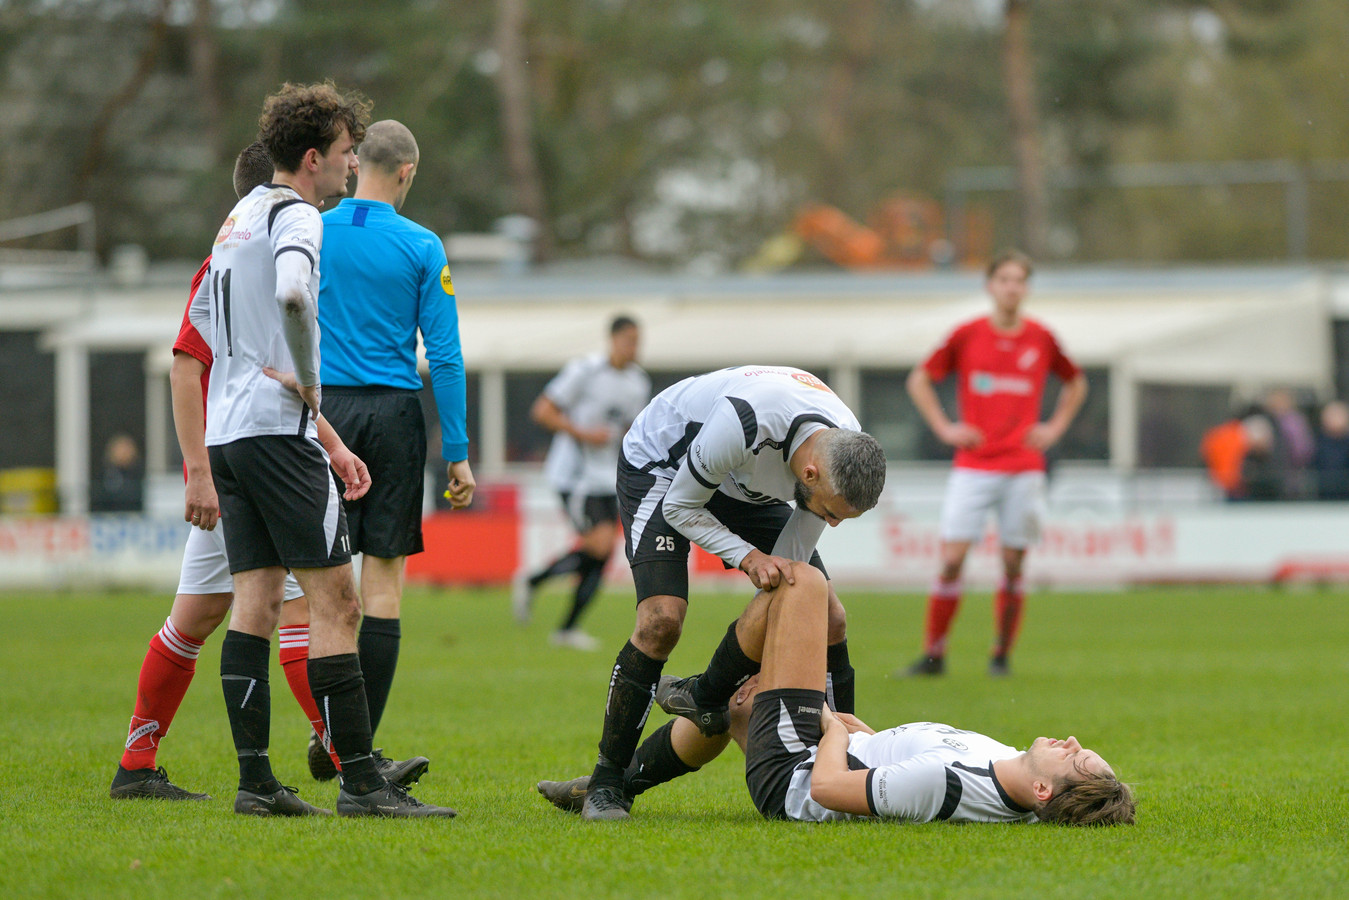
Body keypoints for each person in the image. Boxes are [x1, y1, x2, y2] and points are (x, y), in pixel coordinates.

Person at [110, 143, 426, 806]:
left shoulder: (239, 248)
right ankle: (350, 762)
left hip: (236, 448)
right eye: (341, 153)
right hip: (247, 457)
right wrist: (197, 474)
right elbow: (185, 368)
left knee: (220, 613)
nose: (346, 166)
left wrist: (331, 442)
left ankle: (154, 764)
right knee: (314, 605)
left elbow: (271, 376)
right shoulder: (241, 258)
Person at [188, 83, 454, 818]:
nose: (350, 164)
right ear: (313, 158)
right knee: (338, 602)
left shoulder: (240, 215)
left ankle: (255, 782)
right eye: (343, 151)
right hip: (278, 433)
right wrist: (309, 383)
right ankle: (363, 784)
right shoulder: (300, 215)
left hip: (227, 431)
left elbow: (203, 317)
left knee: (255, 603)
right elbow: (294, 296)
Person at [539, 560, 1135, 826]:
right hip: (826, 745)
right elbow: (902, 760)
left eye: (1075, 758)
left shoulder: (951, 785)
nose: (1072, 740)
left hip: (795, 772)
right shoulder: (1009, 772)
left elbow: (826, 790)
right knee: (827, 622)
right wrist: (864, 736)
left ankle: (705, 692)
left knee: (800, 582)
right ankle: (620, 780)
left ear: (1042, 791)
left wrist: (828, 726)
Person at [571, 364, 887, 821]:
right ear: (810, 473)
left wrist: (763, 644)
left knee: (827, 615)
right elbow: (681, 506)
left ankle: (838, 762)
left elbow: (791, 581)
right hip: (665, 468)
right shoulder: (746, 421)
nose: (832, 524)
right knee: (661, 621)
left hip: (740, 481)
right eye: (831, 514)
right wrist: (748, 558)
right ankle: (605, 784)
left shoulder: (842, 444)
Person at [302, 119, 475, 783]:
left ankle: (328, 733)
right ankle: (358, 746)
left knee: (321, 589)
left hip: (323, 417)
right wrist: (457, 451)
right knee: (382, 587)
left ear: (355, 164)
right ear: (406, 172)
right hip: (395, 417)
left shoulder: (312, 231)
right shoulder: (422, 244)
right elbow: (446, 355)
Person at [902, 249, 1086, 678]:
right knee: (952, 559)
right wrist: (945, 427)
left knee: (1014, 562)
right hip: (974, 464)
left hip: (1023, 466)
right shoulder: (967, 334)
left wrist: (1054, 427)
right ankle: (934, 655)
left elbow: (1076, 382)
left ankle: (1001, 654)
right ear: (990, 285)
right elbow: (919, 379)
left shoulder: (1041, 337)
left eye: (1019, 280)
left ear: (1027, 288)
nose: (1011, 288)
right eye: (1004, 279)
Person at [512, 316, 650, 649]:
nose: (634, 347)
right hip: (574, 476)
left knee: (602, 552)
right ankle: (539, 592)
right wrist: (584, 433)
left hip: (608, 476)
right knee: (601, 545)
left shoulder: (638, 382)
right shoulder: (585, 371)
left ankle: (559, 617)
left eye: (637, 341)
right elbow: (542, 411)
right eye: (629, 340)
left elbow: (632, 428)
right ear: (613, 339)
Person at [91, 434, 144, 512]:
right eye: (121, 450)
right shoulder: (106, 474)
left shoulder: (139, 474)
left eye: (127, 450)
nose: (124, 453)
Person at [1313, 399, 1349, 500]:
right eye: (1331, 415)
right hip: (1322, 496)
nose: (1335, 419)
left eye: (1338, 415)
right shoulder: (1315, 442)